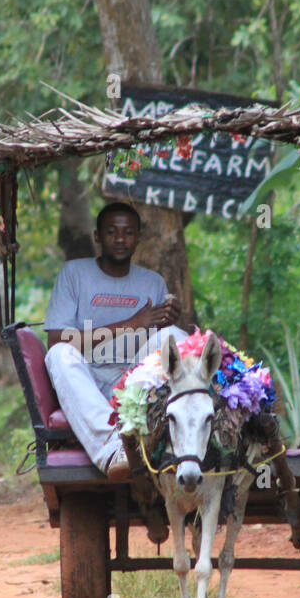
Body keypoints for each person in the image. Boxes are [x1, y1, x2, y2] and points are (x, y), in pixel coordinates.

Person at [44, 202, 187, 478]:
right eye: (111, 232)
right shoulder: (74, 273)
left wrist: (168, 319)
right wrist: (130, 324)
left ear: (138, 238)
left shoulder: (153, 282)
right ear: (97, 236)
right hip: (89, 382)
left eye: (128, 232)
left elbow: (158, 342)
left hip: (136, 383)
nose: (120, 239)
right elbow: (56, 340)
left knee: (176, 337)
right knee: (60, 354)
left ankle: (189, 438)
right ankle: (112, 449)